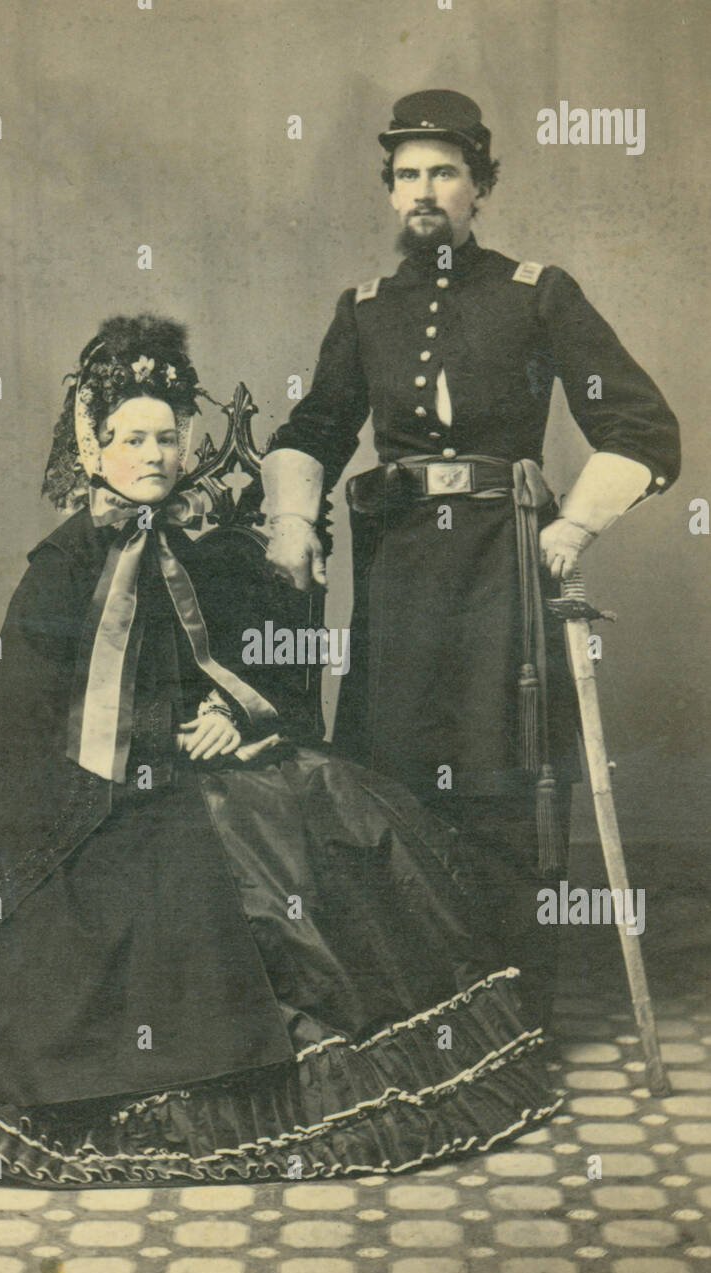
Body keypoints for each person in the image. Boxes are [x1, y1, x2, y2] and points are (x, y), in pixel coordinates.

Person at [0, 313, 560, 1188]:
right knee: (173, 874)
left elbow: (266, 670)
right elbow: (26, 719)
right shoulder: (58, 568)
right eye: (130, 438)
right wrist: (157, 744)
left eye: (167, 436)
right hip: (88, 794)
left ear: (189, 444)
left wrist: (234, 717)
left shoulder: (211, 551)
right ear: (91, 450)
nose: (153, 454)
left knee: (326, 805)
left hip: (217, 765)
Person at [261, 90, 681, 1028]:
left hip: (502, 565)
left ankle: (507, 1007)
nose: (423, 191)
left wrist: (570, 528)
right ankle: (412, 1003)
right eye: (406, 175)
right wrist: (293, 521)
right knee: (389, 764)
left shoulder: (538, 293)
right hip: (399, 571)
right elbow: (313, 430)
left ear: (479, 185)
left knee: (505, 766)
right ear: (389, 193)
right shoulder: (363, 309)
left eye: (443, 171)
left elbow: (642, 428)